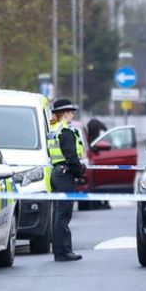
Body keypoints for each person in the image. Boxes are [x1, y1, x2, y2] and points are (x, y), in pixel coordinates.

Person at [47, 98, 85, 262]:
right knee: (63, 214)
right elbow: (71, 157)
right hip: (65, 175)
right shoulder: (66, 132)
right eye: (70, 113)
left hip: (56, 173)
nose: (72, 116)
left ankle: (58, 251)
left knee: (57, 214)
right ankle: (65, 251)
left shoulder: (53, 130)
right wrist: (79, 171)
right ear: (64, 114)